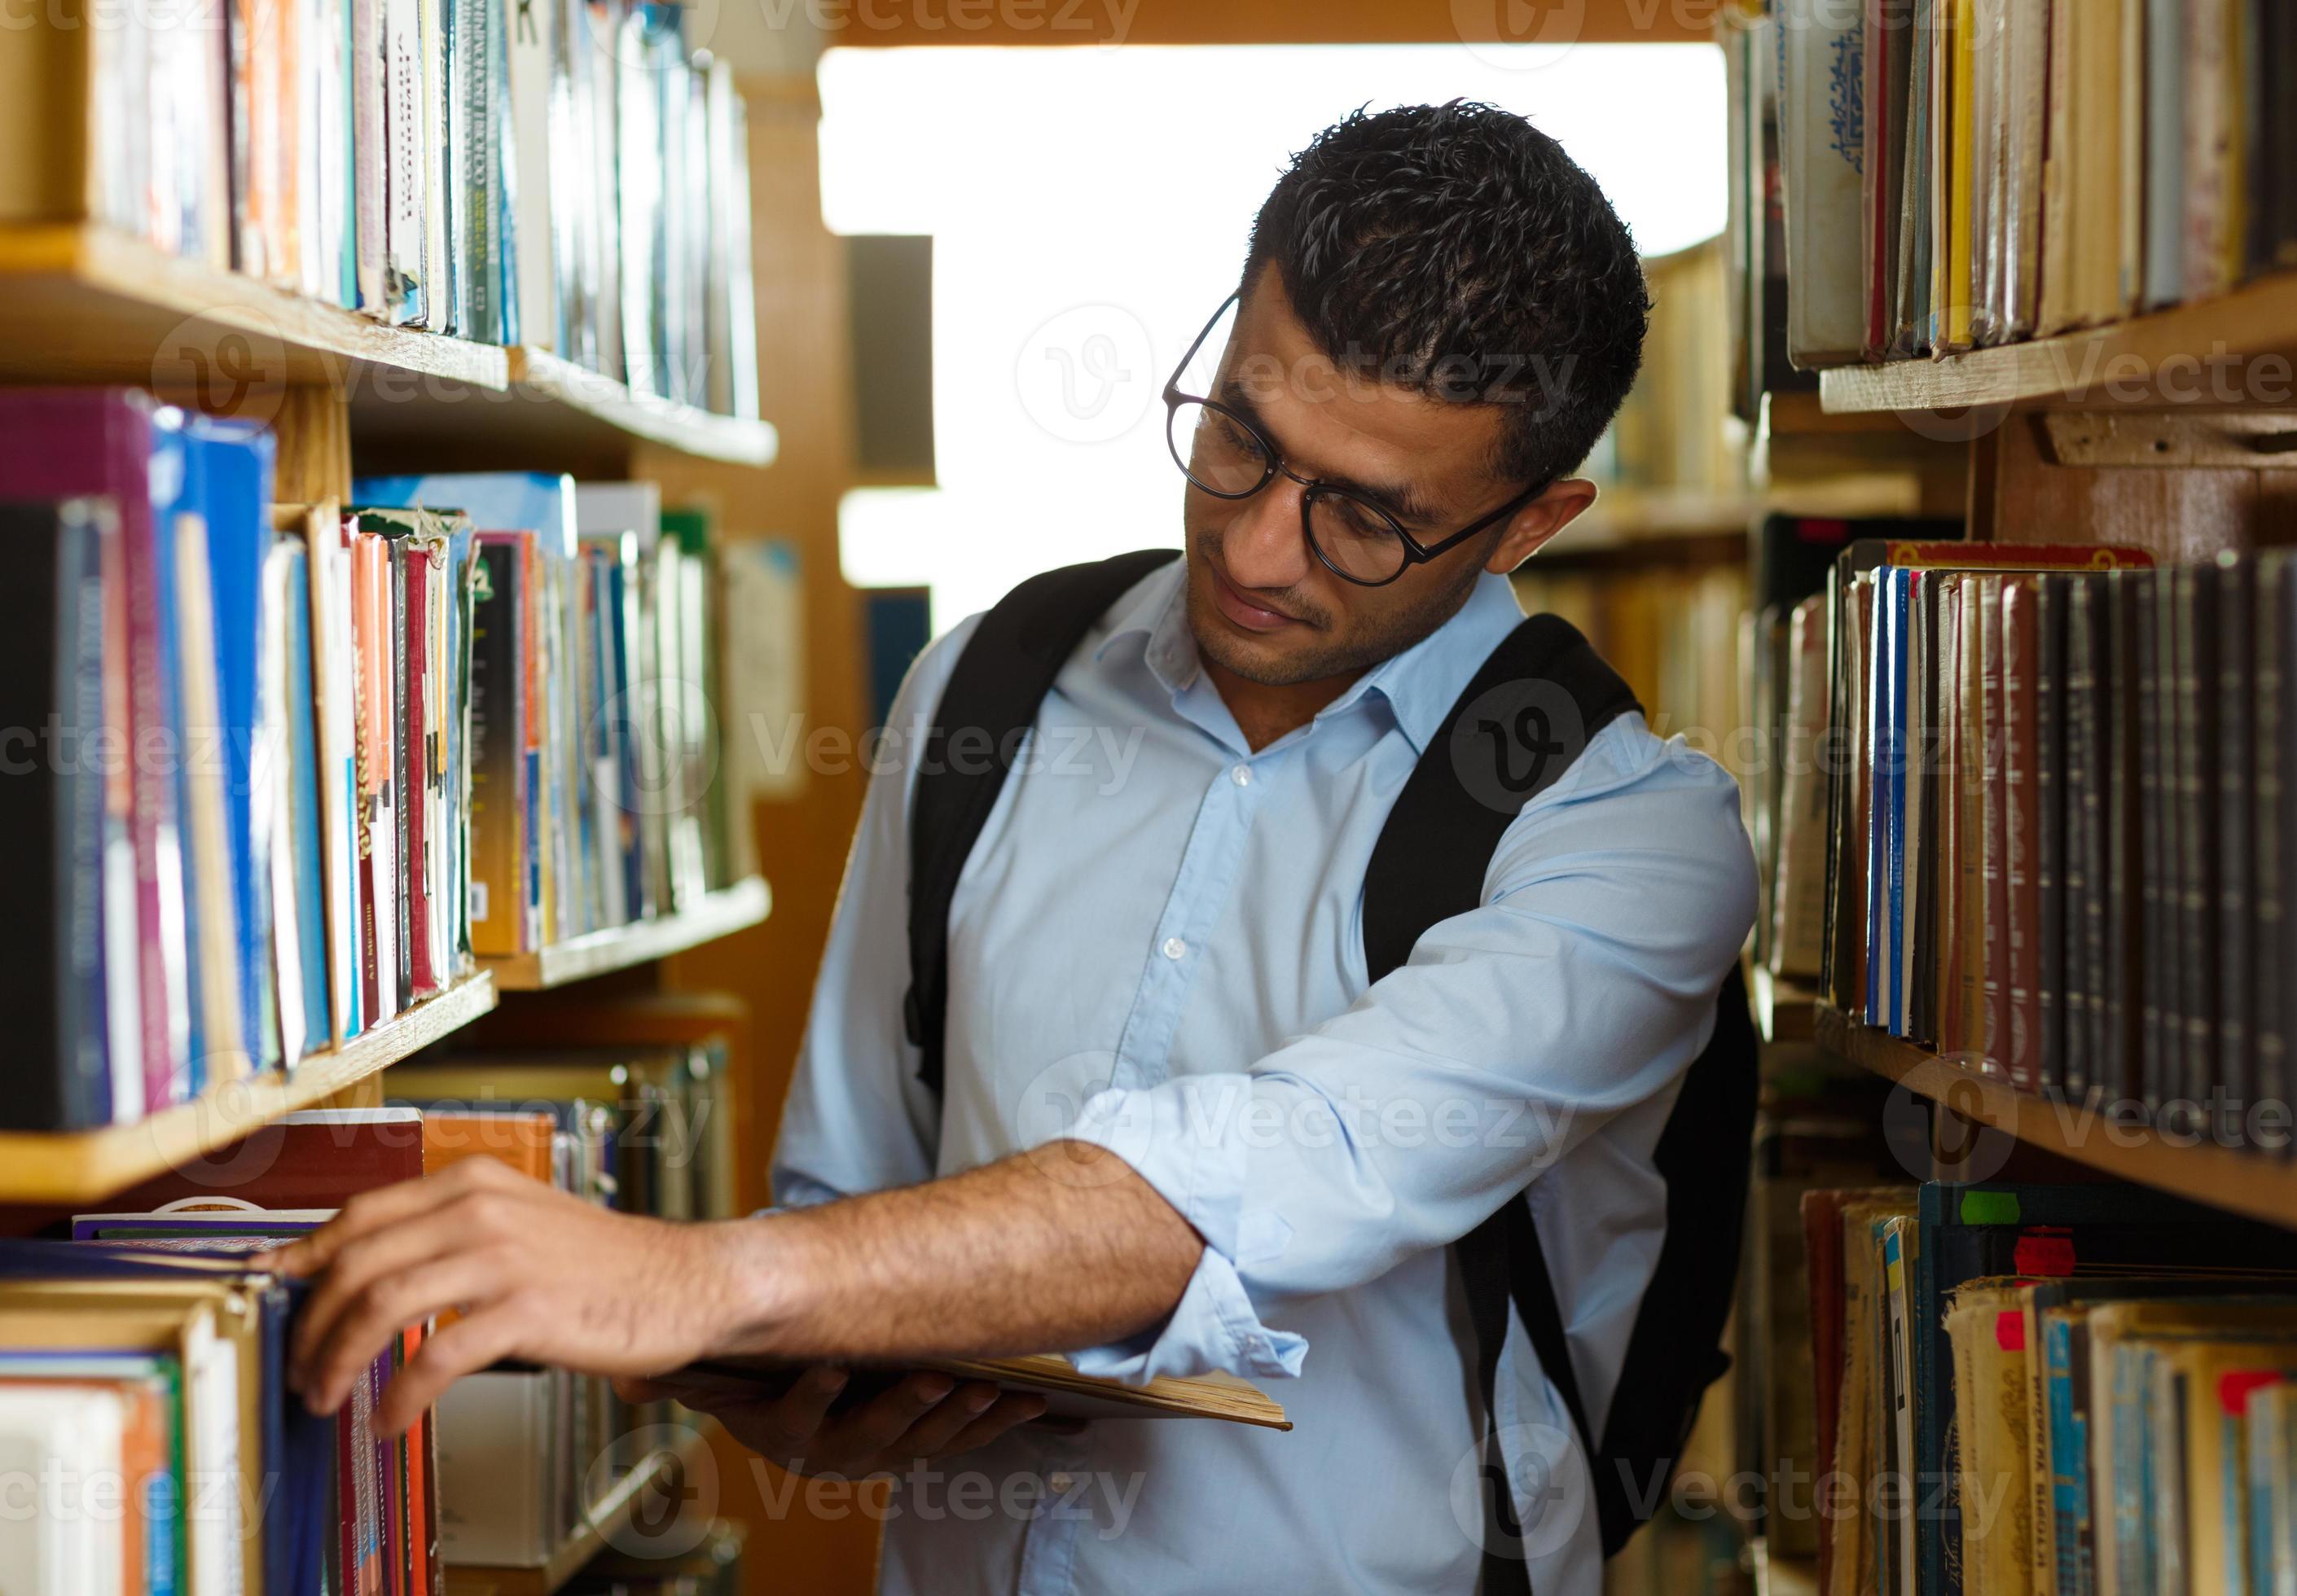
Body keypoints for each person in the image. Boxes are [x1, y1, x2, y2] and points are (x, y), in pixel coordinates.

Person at [269, 101, 1757, 1593]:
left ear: (1526, 525)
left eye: (1367, 520)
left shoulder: (1628, 836)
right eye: (1241, 434)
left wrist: (697, 1275)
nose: (1252, 549)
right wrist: (809, 1373)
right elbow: (846, 1201)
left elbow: (1264, 1177)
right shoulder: (986, 687)